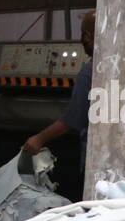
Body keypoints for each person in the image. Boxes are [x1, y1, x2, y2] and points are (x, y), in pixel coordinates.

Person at [22, 9, 96, 165]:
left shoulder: (89, 71)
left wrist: (38, 139)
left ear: (86, 36)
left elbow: (73, 118)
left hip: (95, 153)